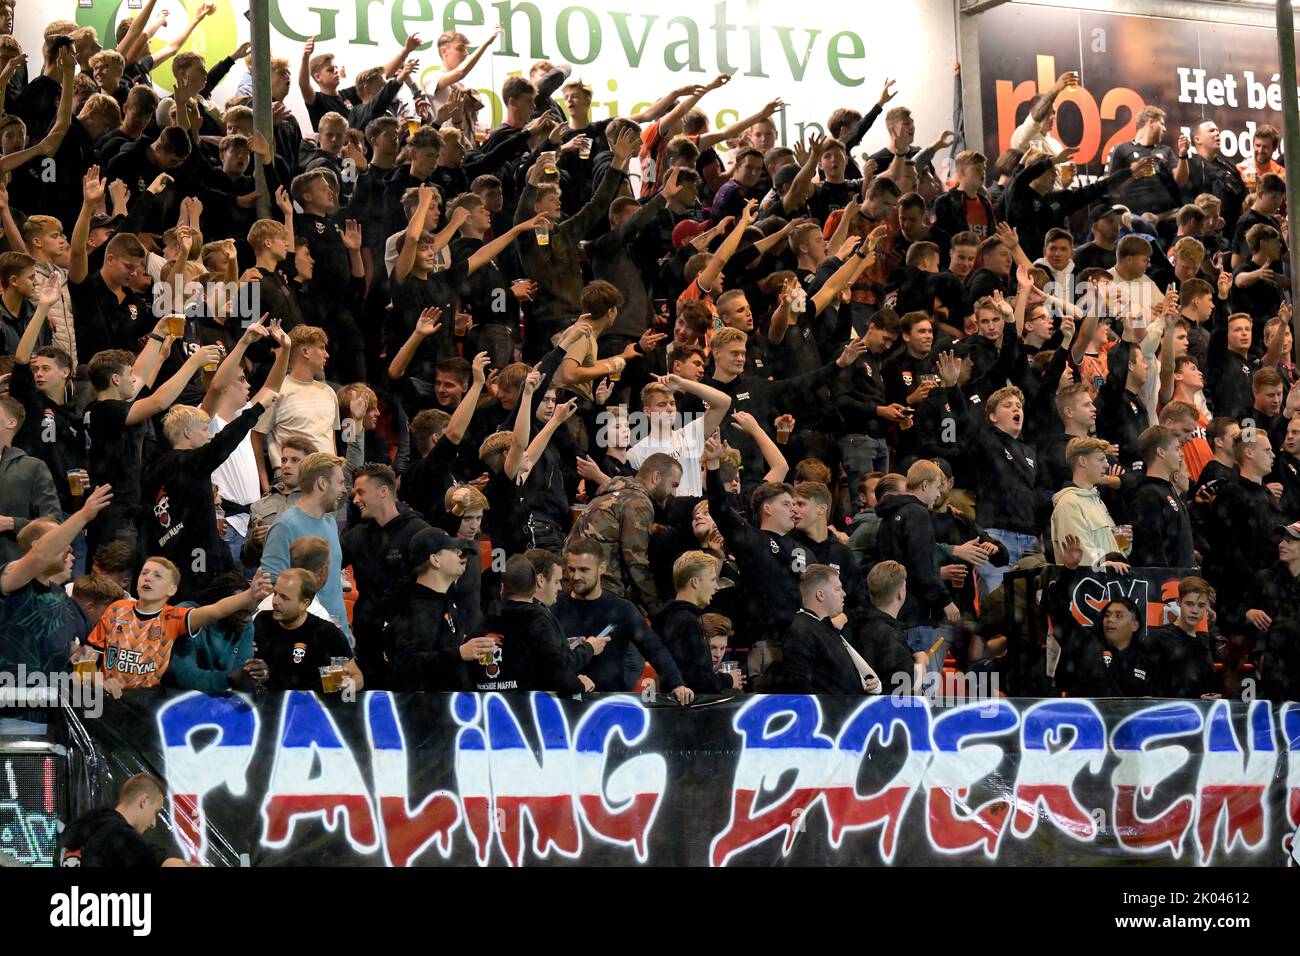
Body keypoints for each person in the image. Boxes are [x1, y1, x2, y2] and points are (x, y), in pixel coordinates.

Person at [87, 558, 271, 691]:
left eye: (157, 576)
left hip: (146, 701)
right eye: (144, 573)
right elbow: (88, 657)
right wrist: (96, 680)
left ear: (172, 589)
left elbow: (217, 610)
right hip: (107, 697)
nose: (148, 578)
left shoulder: (175, 618)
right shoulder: (115, 609)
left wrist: (249, 596)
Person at [565, 452, 681, 613]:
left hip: (577, 583)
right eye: (674, 485)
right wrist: (657, 608)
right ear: (656, 477)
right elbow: (636, 563)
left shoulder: (617, 493)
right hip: (601, 590)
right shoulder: (639, 502)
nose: (674, 494)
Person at [474, 552, 604, 693]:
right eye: (556, 581)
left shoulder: (487, 618)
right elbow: (556, 671)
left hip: (485, 706)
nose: (560, 588)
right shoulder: (537, 620)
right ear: (540, 580)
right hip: (528, 708)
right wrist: (580, 683)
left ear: (502, 587)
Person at [260, 452, 352, 643]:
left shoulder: (330, 521)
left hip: (338, 636)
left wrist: (346, 634)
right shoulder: (285, 526)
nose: (344, 489)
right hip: (306, 642)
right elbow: (271, 589)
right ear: (322, 483)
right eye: (341, 482)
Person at [385, 526, 483, 691]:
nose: (462, 554)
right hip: (429, 711)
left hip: (453, 708)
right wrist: (459, 653)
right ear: (435, 560)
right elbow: (406, 665)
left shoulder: (445, 598)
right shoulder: (416, 608)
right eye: (454, 550)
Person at [249, 567, 360, 693]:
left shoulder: (327, 634)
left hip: (313, 708)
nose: (275, 601)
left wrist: (339, 686)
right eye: (275, 593)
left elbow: (357, 678)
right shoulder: (262, 621)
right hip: (270, 706)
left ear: (304, 603)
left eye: (284, 598)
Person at [651, 550, 743, 695]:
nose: (716, 587)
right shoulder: (687, 622)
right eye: (712, 580)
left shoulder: (664, 617)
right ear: (695, 582)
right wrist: (728, 679)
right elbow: (696, 681)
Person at [59, 774, 194, 867]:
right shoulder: (117, 834)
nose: (153, 823)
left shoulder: (85, 826)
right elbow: (164, 864)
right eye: (155, 812)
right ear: (144, 801)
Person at [782, 564, 877, 695]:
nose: (844, 594)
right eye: (838, 589)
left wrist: (864, 681)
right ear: (821, 595)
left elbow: (835, 679)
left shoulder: (822, 627)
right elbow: (799, 690)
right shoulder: (801, 632)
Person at [1049, 437, 1128, 569]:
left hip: (1106, 585)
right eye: (1101, 459)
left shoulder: (1097, 501)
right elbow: (1079, 556)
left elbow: (1107, 551)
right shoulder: (1069, 502)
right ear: (1082, 461)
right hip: (1087, 587)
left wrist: (1123, 542)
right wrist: (1102, 565)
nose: (1107, 465)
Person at [851, 559, 925, 695]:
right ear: (901, 593)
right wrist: (921, 661)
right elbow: (911, 685)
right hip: (887, 710)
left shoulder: (859, 623)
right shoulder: (887, 634)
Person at [1144, 575, 1219, 699]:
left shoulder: (1204, 640)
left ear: (1207, 607)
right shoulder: (1159, 637)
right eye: (1189, 604)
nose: (1195, 610)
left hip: (1201, 713)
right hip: (1171, 713)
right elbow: (1151, 688)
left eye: (1201, 605)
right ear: (1178, 602)